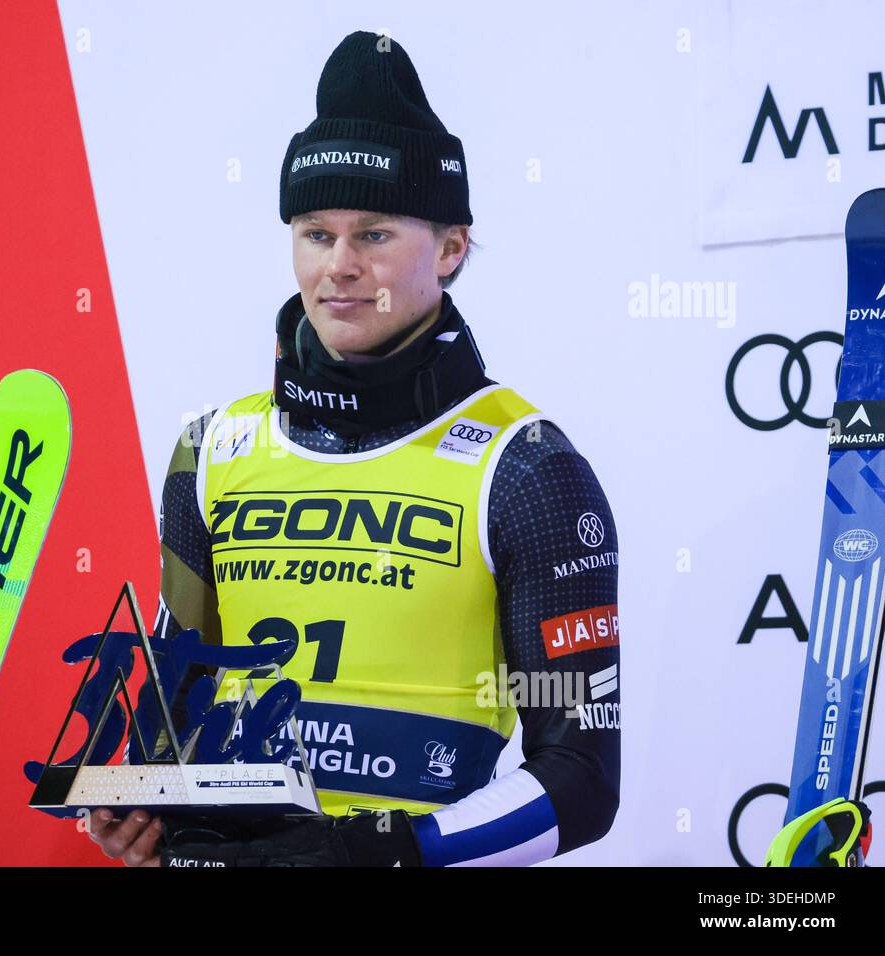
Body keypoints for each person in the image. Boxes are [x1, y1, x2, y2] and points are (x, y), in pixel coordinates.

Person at [90, 30, 619, 867]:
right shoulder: (213, 449)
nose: (338, 266)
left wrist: (381, 855)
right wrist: (141, 800)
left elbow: (581, 781)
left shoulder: (526, 469)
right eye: (314, 232)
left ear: (450, 248)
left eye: (373, 234)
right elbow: (175, 709)